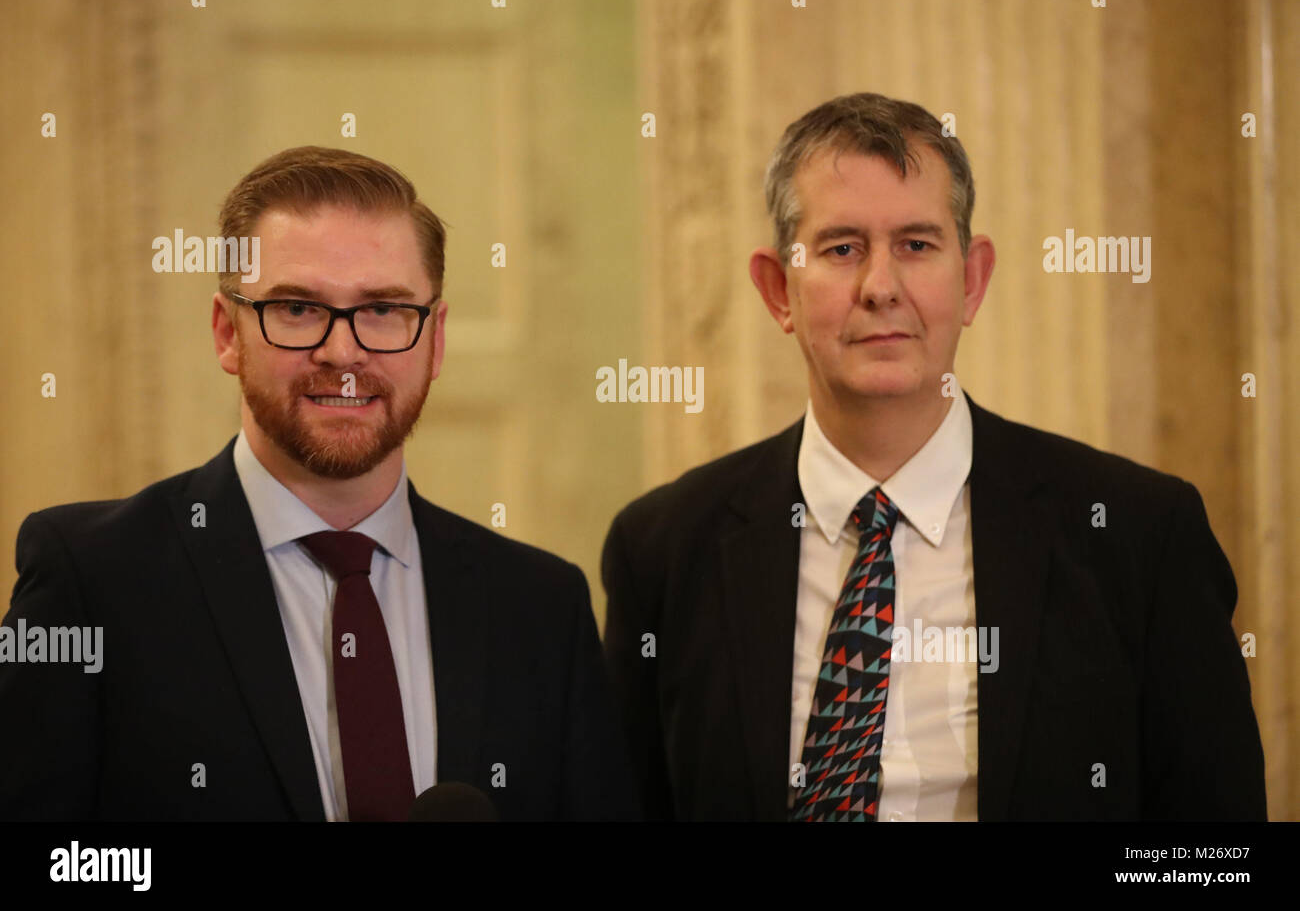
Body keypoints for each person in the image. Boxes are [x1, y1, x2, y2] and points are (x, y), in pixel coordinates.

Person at [601, 93, 1267, 821]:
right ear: (778, 288)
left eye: (917, 245)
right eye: (841, 248)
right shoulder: (665, 549)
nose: (880, 287)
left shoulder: (1140, 537)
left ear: (971, 279)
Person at [0, 146, 635, 821]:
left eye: (384, 309)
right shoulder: (92, 579)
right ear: (227, 333)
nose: (343, 351)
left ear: (436, 340)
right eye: (298, 308)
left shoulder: (541, 609)